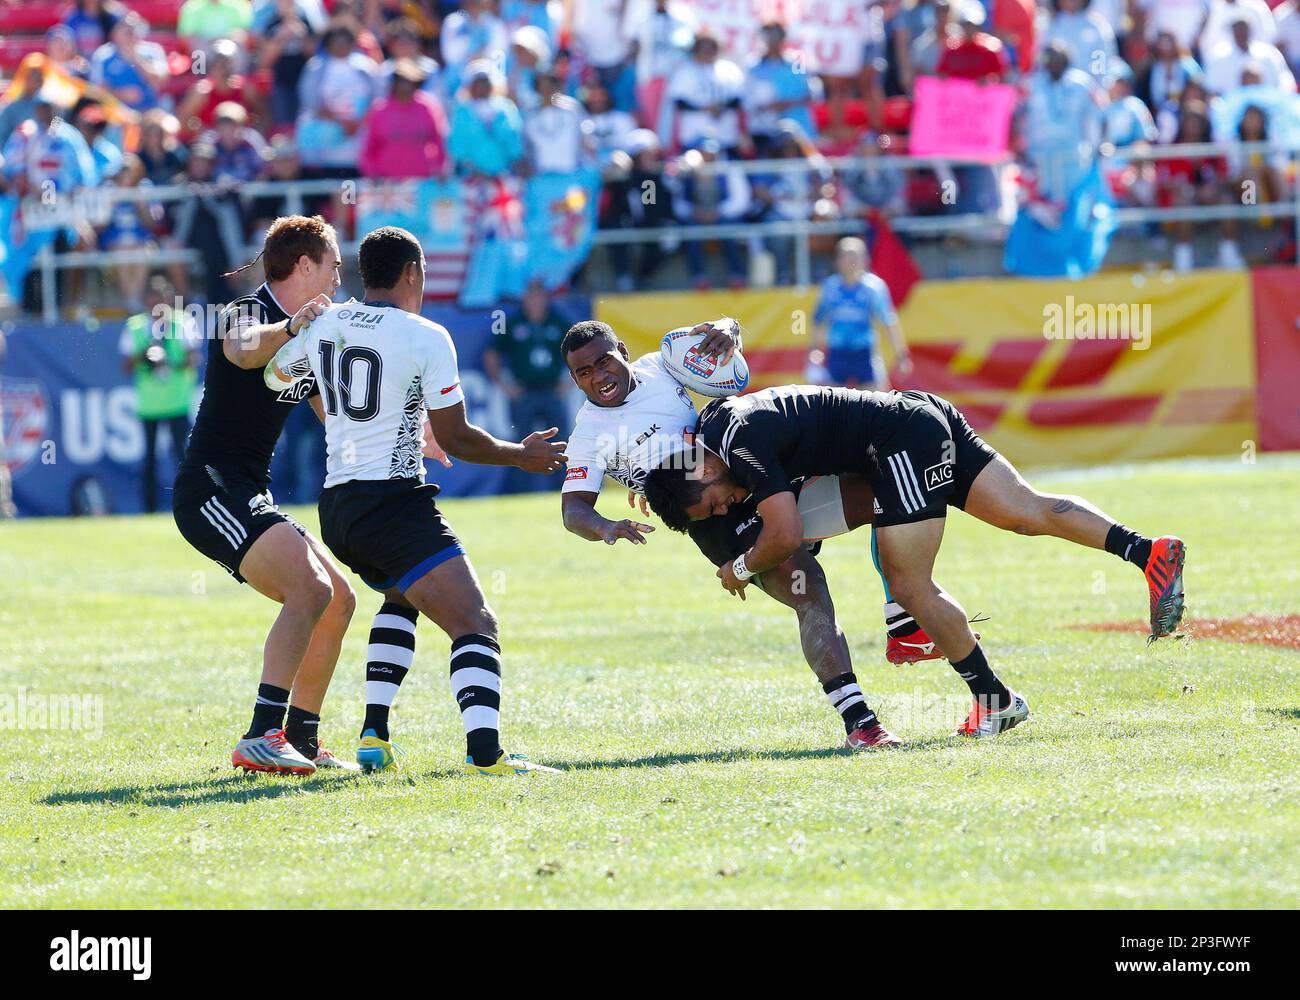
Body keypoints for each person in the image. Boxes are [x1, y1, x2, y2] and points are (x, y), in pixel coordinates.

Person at [644, 386, 1188, 737]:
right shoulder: (716, 428)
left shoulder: (739, 449)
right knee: (1026, 511)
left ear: (705, 470)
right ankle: (1147, 552)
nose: (729, 506)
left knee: (909, 584)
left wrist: (737, 569)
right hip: (918, 413)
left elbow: (784, 531)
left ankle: (993, 698)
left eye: (716, 501)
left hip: (895, 443)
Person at [264, 225, 566, 775]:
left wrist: (347, 418)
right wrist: (520, 455)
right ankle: (486, 754)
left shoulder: (326, 321)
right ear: (412, 273)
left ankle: (374, 735)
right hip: (393, 503)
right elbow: (458, 439)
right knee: (475, 623)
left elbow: (278, 374)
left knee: (402, 598)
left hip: (338, 506)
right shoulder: (426, 335)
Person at [560, 319, 940, 668]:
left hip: (739, 473)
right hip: (714, 519)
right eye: (584, 373)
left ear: (622, 352)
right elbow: (573, 509)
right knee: (808, 589)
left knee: (884, 492)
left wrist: (729, 330)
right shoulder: (589, 434)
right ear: (575, 380)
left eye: (604, 362)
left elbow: (721, 341)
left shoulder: (663, 363)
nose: (599, 377)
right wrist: (604, 526)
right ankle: (859, 722)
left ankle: (905, 628)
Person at [172, 214, 358, 775]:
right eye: (333, 266)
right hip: (211, 488)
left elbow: (333, 413)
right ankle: (261, 734)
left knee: (339, 598)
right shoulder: (249, 313)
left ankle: (299, 738)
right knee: (307, 587)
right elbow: (245, 351)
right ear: (304, 266)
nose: (339, 277)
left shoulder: (314, 331)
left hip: (248, 489)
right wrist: (295, 328)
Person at [120, 277, 199, 512]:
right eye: (152, 297)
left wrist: (169, 363)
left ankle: (189, 505)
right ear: (146, 300)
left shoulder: (182, 322)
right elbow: (126, 366)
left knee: (183, 458)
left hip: (177, 401)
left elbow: (193, 359)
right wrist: (144, 353)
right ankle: (149, 508)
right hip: (150, 404)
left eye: (161, 297)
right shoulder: (135, 326)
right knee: (149, 460)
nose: (157, 303)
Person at [483, 280, 571, 490]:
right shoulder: (513, 322)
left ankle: (565, 487)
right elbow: (491, 353)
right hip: (524, 391)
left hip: (551, 391)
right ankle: (520, 489)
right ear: (525, 299)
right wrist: (505, 386)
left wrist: (568, 383)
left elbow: (579, 349)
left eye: (540, 296)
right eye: (531, 296)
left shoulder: (557, 321)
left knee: (561, 439)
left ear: (547, 299)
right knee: (521, 443)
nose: (535, 301)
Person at [813, 237, 911, 392]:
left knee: (879, 405)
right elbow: (819, 321)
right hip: (837, 353)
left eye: (856, 256)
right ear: (837, 260)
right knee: (832, 408)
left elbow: (889, 321)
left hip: (865, 353)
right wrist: (814, 354)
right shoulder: (830, 288)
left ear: (865, 259)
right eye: (846, 256)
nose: (851, 261)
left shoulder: (874, 288)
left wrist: (901, 356)